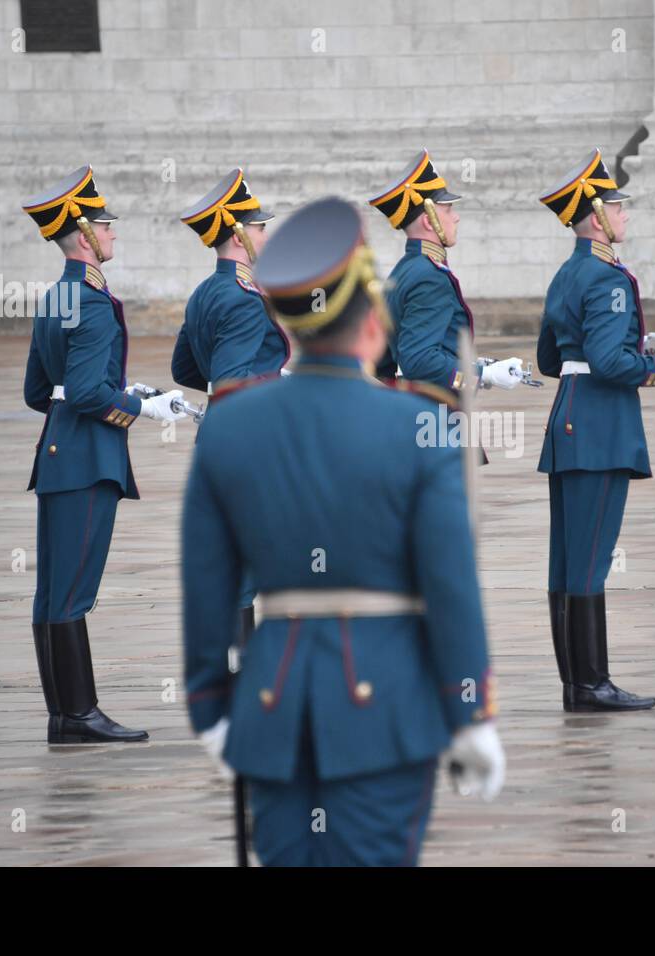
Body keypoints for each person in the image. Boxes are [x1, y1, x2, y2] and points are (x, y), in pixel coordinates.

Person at [182, 196, 504, 866]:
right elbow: (452, 587)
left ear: (287, 320)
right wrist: (470, 712)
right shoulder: (419, 427)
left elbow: (207, 589)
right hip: (386, 711)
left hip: (270, 710)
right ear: (372, 320)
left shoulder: (231, 430)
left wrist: (210, 706)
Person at [21, 165, 185, 742]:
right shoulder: (89, 301)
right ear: (84, 235)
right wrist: (140, 409)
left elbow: (39, 392)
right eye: (105, 225)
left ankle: (65, 714)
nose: (112, 233)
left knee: (54, 590)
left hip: (59, 453)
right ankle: (80, 714)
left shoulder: (56, 295)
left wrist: (122, 391)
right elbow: (88, 392)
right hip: (88, 457)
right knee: (71, 591)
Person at [536, 147, 655, 711]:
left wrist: (632, 345)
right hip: (600, 426)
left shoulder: (566, 272)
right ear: (596, 217)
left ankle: (577, 682)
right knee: (590, 559)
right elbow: (610, 364)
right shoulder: (608, 279)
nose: (625, 215)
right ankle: (591, 684)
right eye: (617, 207)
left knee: (569, 558)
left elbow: (551, 361)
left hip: (569, 419)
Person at [174, 168, 291, 637]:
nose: (266, 232)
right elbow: (228, 383)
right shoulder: (244, 298)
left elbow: (186, 370)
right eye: (259, 226)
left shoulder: (205, 292)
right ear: (239, 234)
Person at [368, 149, 524, 390]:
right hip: (430, 412)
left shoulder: (407, 269)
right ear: (429, 220)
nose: (456, 217)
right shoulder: (429, 277)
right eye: (448, 209)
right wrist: (481, 375)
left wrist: (472, 366)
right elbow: (418, 362)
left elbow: (399, 355)